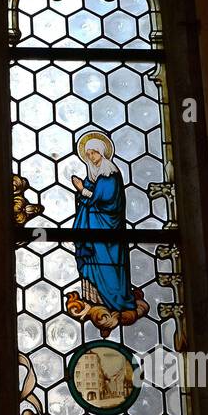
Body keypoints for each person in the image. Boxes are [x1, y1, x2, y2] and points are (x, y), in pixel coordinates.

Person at [71, 133, 135, 311]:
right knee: (94, 260)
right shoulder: (94, 175)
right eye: (88, 154)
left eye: (94, 153)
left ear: (102, 152)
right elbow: (89, 197)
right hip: (93, 226)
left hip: (108, 228)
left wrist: (82, 190)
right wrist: (83, 190)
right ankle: (95, 298)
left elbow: (103, 200)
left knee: (108, 263)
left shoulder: (110, 174)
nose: (91, 157)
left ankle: (117, 299)